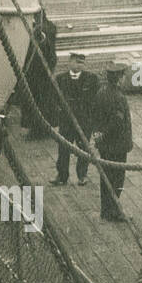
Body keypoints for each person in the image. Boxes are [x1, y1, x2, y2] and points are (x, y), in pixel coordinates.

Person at [93, 63, 133, 221]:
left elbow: (96, 114)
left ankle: (105, 210)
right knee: (117, 180)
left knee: (105, 178)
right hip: (117, 146)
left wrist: (99, 134)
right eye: (122, 76)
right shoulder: (118, 96)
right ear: (119, 78)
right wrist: (105, 133)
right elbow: (117, 121)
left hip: (105, 146)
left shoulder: (101, 92)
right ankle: (114, 211)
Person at [53, 52, 98, 186]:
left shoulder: (91, 79)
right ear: (69, 62)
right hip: (66, 121)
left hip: (83, 121)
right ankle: (62, 176)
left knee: (83, 149)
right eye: (76, 62)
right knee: (63, 149)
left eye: (82, 63)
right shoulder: (60, 79)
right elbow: (54, 99)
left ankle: (82, 175)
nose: (79, 65)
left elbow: (94, 100)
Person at [22, 10, 58, 138]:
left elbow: (45, 45)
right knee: (39, 101)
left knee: (38, 101)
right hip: (39, 69)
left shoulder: (45, 29)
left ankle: (39, 129)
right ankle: (39, 128)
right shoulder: (48, 27)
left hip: (40, 70)